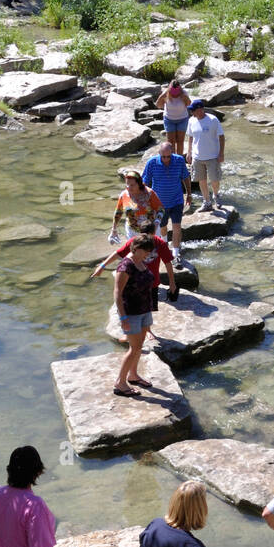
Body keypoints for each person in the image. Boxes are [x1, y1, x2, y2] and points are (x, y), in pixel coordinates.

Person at [91, 217, 178, 304]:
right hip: (135, 282)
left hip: (152, 283)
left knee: (151, 308)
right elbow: (117, 254)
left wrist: (172, 283)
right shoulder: (135, 242)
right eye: (144, 236)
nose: (146, 239)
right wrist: (102, 266)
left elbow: (168, 263)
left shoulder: (160, 243)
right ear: (140, 233)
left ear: (154, 233)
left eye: (149, 236)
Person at [113, 236, 157, 395]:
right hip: (131, 313)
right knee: (134, 348)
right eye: (147, 251)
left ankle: (133, 375)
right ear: (137, 248)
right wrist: (123, 318)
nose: (149, 254)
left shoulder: (140, 261)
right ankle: (120, 383)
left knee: (139, 347)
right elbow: (117, 294)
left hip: (144, 310)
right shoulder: (125, 266)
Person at [141, 141, 191, 266]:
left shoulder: (179, 160)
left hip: (176, 200)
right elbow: (145, 182)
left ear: (172, 153)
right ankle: (164, 244)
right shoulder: (152, 163)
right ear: (159, 154)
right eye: (163, 157)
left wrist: (189, 194)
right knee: (163, 227)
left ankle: (175, 253)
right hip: (159, 203)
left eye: (169, 156)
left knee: (176, 227)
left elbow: (185, 177)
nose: (166, 159)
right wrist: (143, 200)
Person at [185, 99, 225, 212]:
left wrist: (221, 153)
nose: (191, 113)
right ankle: (207, 202)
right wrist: (189, 152)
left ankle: (216, 195)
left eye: (193, 110)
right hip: (197, 157)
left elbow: (221, 137)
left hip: (212, 156)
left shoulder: (213, 120)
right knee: (201, 180)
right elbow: (190, 137)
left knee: (214, 180)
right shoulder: (191, 120)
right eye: (191, 110)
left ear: (201, 110)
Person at [108, 169, 163, 243]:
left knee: (153, 253)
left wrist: (156, 224)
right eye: (127, 184)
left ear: (139, 184)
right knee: (134, 252)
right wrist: (113, 230)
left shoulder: (149, 194)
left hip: (151, 231)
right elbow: (118, 212)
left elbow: (161, 210)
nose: (128, 187)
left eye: (132, 185)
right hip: (132, 232)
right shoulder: (124, 195)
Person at [155, 80, 193, 156]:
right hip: (169, 119)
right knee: (171, 141)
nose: (175, 96)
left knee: (180, 140)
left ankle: (179, 159)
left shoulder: (184, 93)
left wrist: (185, 98)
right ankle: (171, 159)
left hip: (182, 119)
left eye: (176, 94)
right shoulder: (166, 93)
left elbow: (189, 105)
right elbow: (158, 105)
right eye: (173, 94)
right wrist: (162, 96)